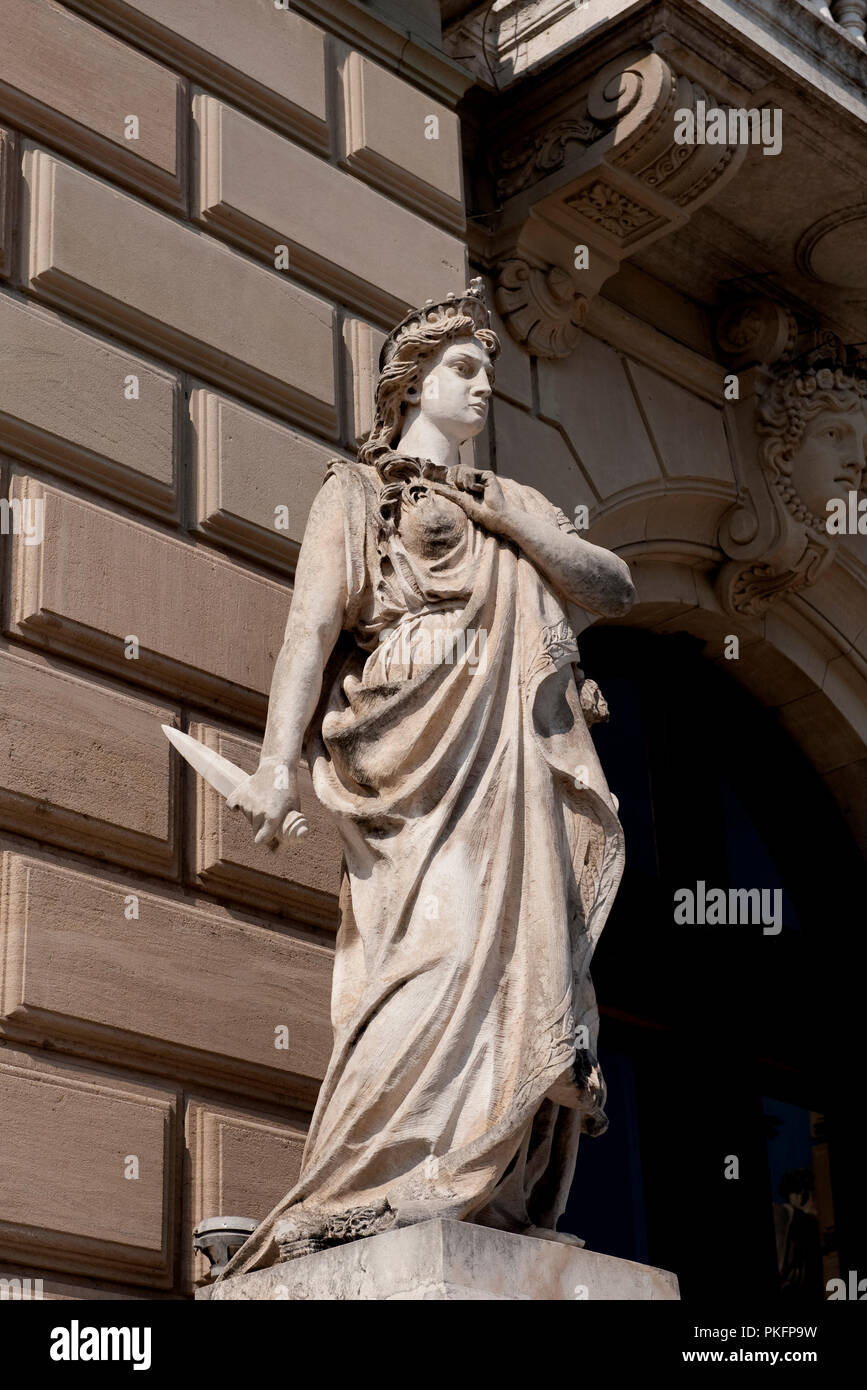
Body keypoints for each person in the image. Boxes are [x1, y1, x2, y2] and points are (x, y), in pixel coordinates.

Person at [217, 279, 635, 1277]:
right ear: (412, 384)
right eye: (462, 367)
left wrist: (509, 522)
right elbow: (311, 631)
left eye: (488, 368)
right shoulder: (355, 493)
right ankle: (377, 1179)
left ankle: (482, 1181)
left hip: (507, 764)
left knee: (521, 959)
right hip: (409, 764)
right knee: (428, 959)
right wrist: (277, 765)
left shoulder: (511, 503)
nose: (481, 384)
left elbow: (609, 583)